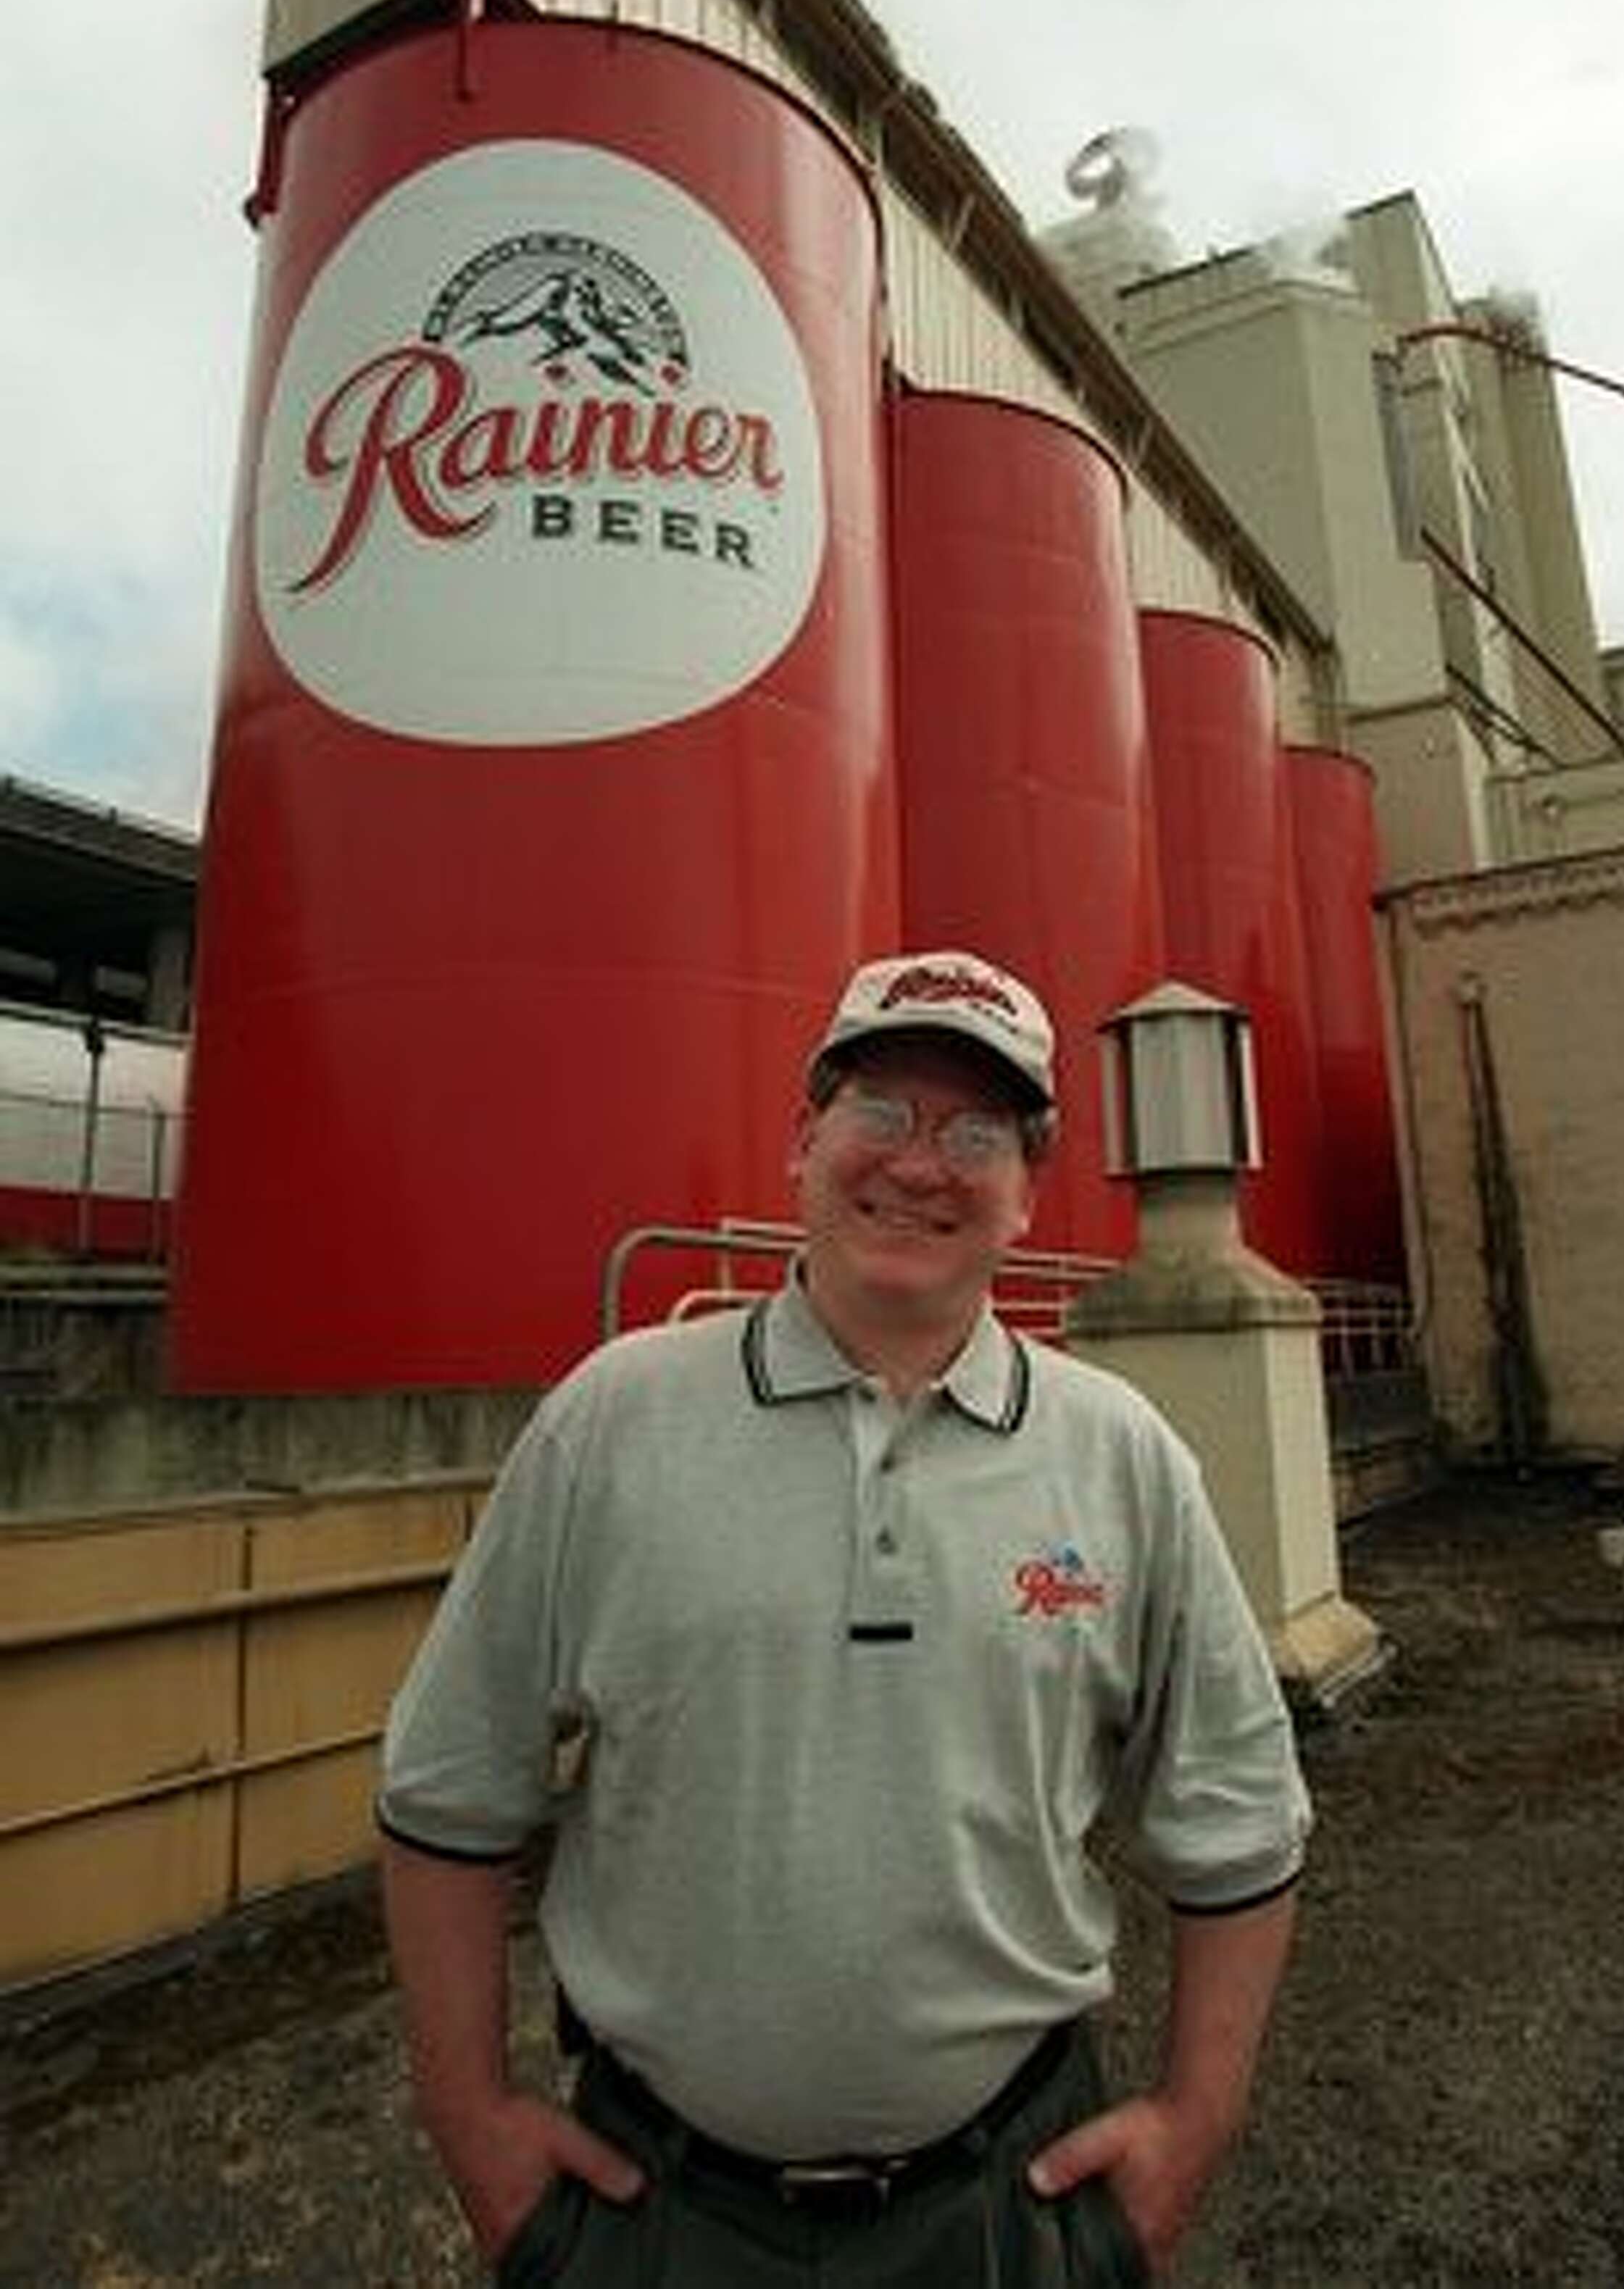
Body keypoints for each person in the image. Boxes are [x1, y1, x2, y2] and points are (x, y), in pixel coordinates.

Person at [379, 948, 1311, 2285]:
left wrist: (1194, 2123)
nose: (921, 1165)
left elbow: (1239, 1811)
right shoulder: (613, 1421)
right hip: (659, 2205)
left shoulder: (1122, 1454)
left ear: (1028, 1194)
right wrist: (469, 2119)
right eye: (882, 1112)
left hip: (1010, 2199)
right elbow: (448, 1787)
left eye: (978, 1130)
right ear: (802, 1144)